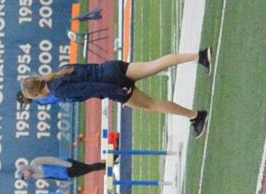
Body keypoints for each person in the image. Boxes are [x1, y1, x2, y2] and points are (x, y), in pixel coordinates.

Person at [17, 51, 211, 137]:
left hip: (110, 83)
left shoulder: (59, 91)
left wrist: (118, 92)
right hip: (110, 68)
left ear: (37, 93)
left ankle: (196, 116)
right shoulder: (61, 71)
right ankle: (199, 56)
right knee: (155, 64)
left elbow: (91, 89)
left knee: (152, 104)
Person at [16, 155, 107, 183]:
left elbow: (51, 160)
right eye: (24, 178)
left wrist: (66, 164)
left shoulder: (34, 163)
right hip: (66, 174)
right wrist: (65, 180)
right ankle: (106, 166)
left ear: (24, 170)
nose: (26, 176)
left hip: (66, 166)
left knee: (88, 167)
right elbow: (51, 177)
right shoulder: (36, 176)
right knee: (88, 169)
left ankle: (106, 166)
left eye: (23, 174)